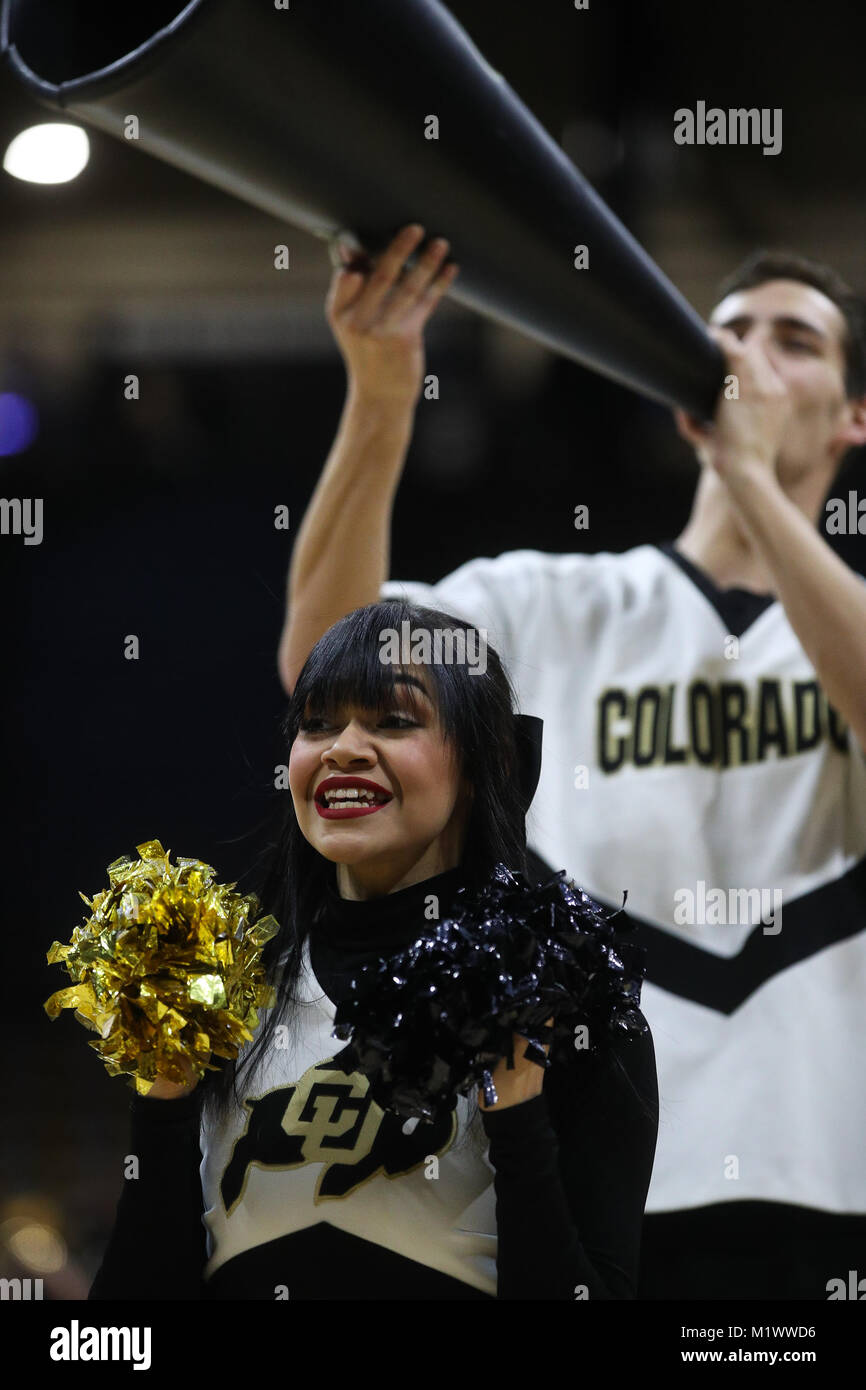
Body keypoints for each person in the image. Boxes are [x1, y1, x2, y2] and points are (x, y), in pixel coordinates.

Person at [278, 224, 866, 1299]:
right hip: (587, 1155)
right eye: (728, 331)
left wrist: (751, 475)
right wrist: (379, 393)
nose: (749, 356)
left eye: (794, 340)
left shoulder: (843, 626)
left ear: (851, 414)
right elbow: (327, 662)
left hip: (825, 1167)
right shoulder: (551, 601)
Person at [88, 602, 658, 1301]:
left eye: (393, 720)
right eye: (317, 724)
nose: (343, 748)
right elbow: (120, 1341)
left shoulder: (561, 1003)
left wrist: (515, 1120)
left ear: (484, 762)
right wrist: (164, 1106)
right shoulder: (223, 994)